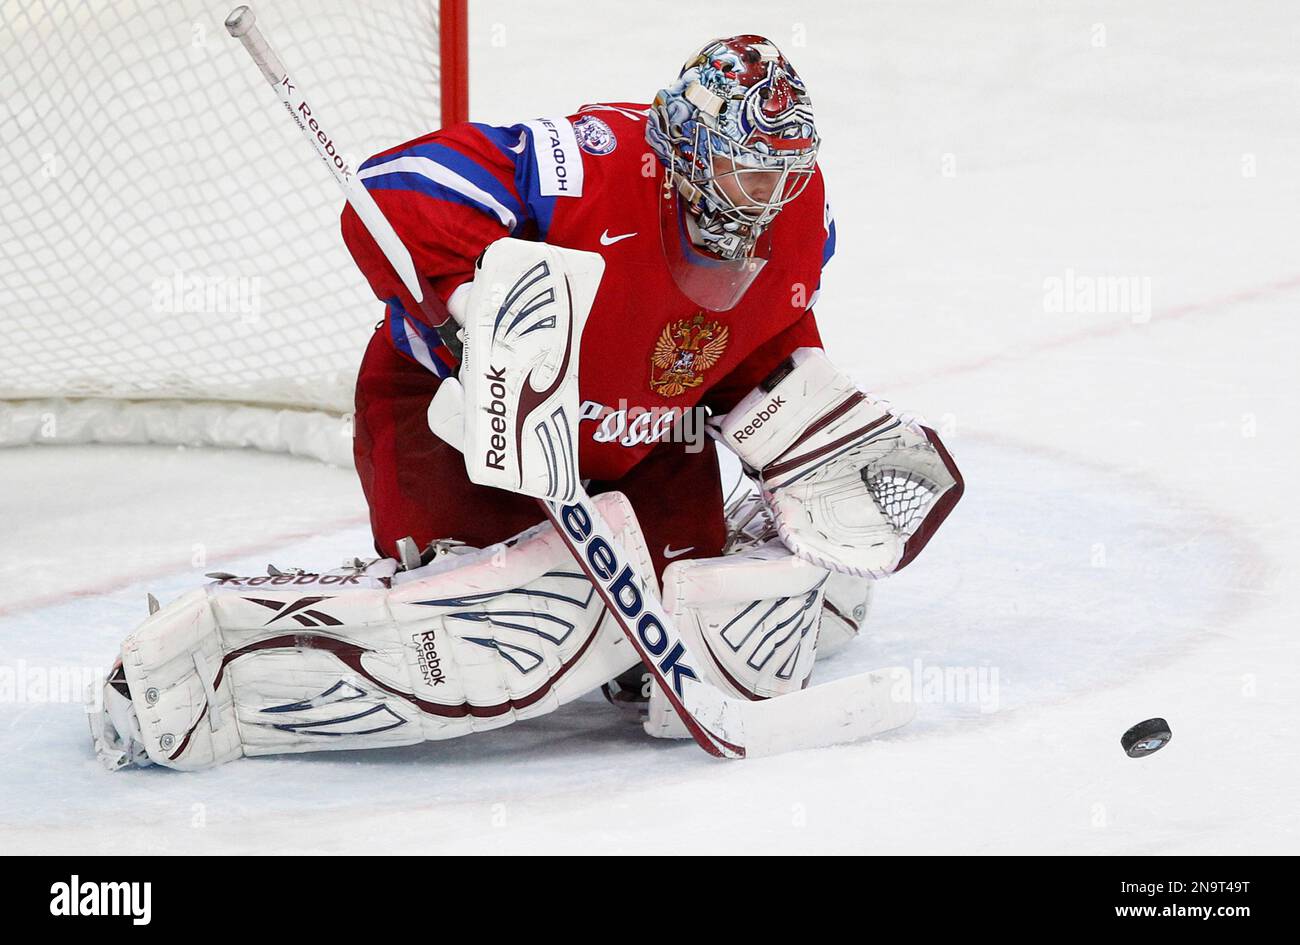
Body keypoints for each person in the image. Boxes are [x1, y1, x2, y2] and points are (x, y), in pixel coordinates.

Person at [87, 37, 962, 770]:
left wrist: (797, 415)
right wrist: (475, 307)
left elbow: (752, 341)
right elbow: (391, 192)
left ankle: (767, 580)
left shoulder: (802, 215)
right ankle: (218, 655)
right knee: (485, 634)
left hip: (647, 440)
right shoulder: (590, 163)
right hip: (458, 427)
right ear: (689, 150)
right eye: (744, 174)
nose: (767, 201)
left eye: (783, 174)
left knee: (711, 622)